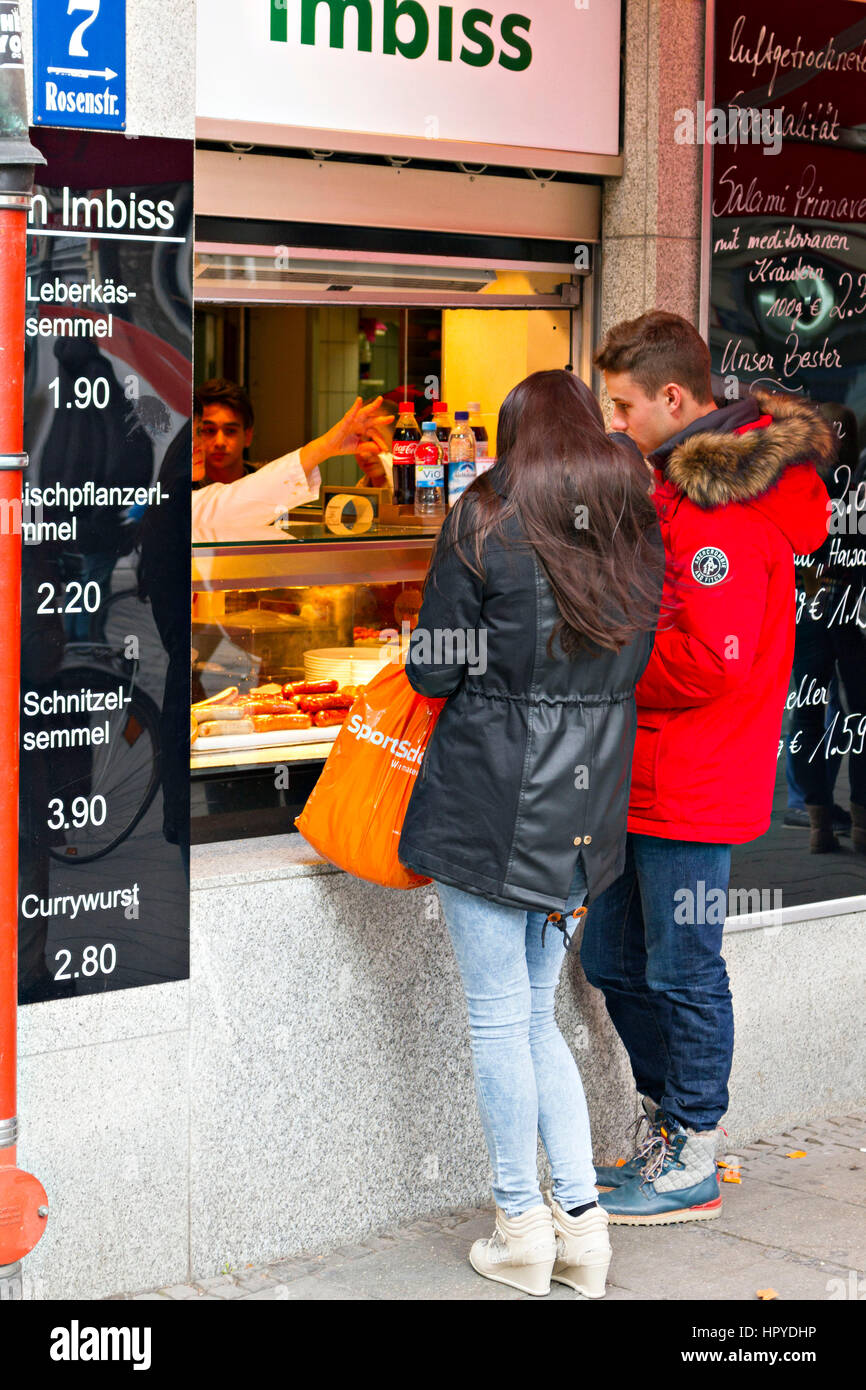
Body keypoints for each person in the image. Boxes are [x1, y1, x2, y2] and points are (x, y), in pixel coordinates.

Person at [398, 370, 664, 1297]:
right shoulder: (636, 522)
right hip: (587, 807)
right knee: (536, 1013)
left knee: (497, 1021)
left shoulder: (486, 513)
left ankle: (520, 1223)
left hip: (490, 792)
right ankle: (582, 1227)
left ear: (514, 437)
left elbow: (435, 669)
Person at [581, 311, 833, 1224]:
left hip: (692, 784)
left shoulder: (722, 516)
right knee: (611, 960)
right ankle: (667, 1127)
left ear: (675, 399)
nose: (613, 422)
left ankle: (693, 1151)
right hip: (643, 778)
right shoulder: (676, 493)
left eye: (623, 404)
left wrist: (601, 664)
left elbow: (710, 657)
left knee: (684, 970)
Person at [191, 385, 390, 539]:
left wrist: (326, 447)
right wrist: (325, 446)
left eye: (198, 431)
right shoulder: (168, 498)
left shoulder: (254, 484)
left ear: (248, 435)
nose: (202, 443)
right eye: (206, 430)